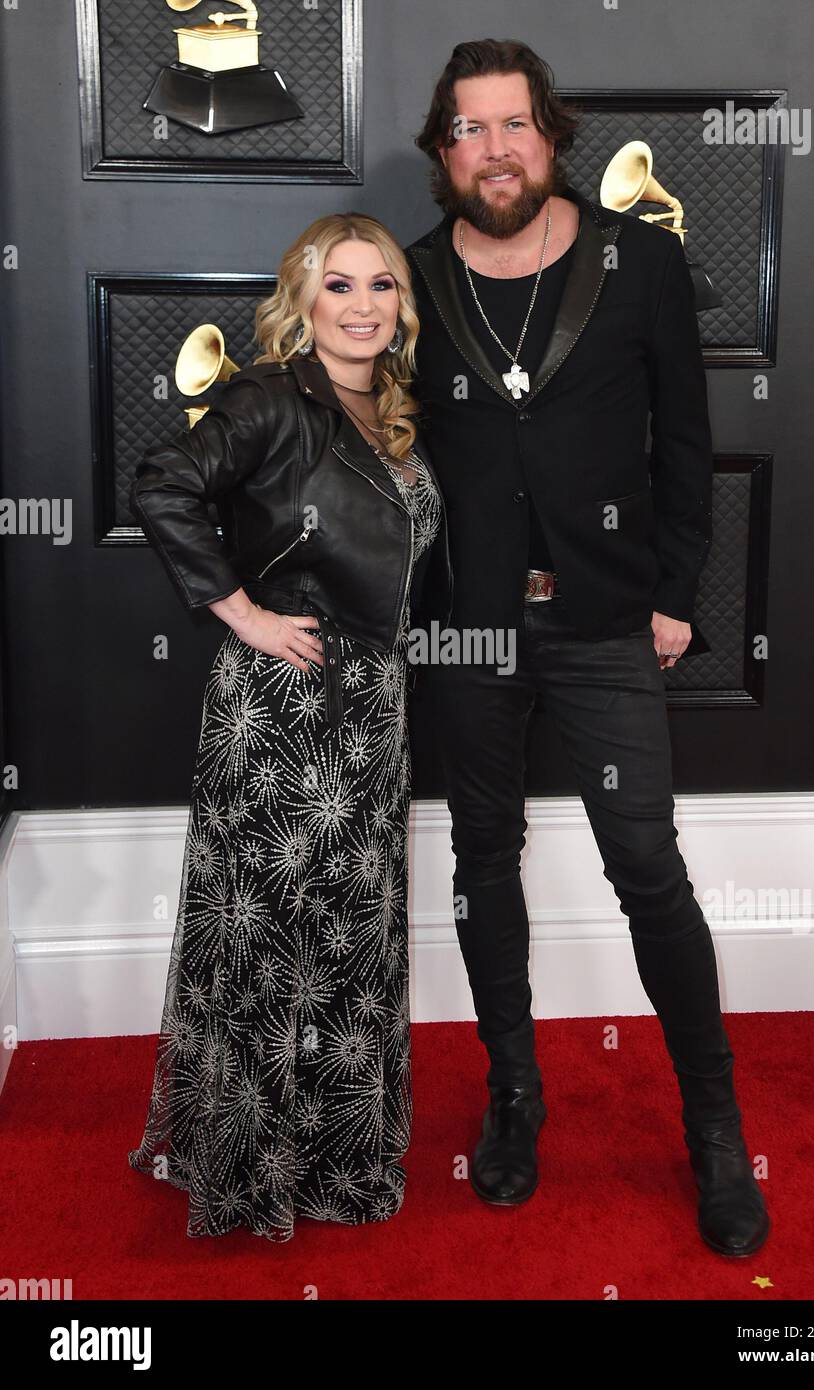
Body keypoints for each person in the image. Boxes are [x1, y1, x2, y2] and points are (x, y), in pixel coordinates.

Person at [406, 38, 769, 1256]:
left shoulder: (641, 261)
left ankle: (711, 1124)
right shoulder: (405, 280)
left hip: (608, 620)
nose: (495, 150)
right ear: (442, 149)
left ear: (549, 136)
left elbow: (683, 441)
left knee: (646, 869)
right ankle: (514, 1099)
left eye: (514, 125)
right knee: (481, 859)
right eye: (470, 130)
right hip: (468, 632)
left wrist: (672, 591)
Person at [127, 213, 450, 1241]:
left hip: (370, 710)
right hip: (284, 705)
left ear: (401, 306)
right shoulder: (272, 395)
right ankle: (253, 1166)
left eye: (381, 287)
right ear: (302, 301)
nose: (362, 307)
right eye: (340, 286)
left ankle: (328, 1151)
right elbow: (164, 482)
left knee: (348, 932)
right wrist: (241, 612)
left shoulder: (390, 410)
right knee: (268, 935)